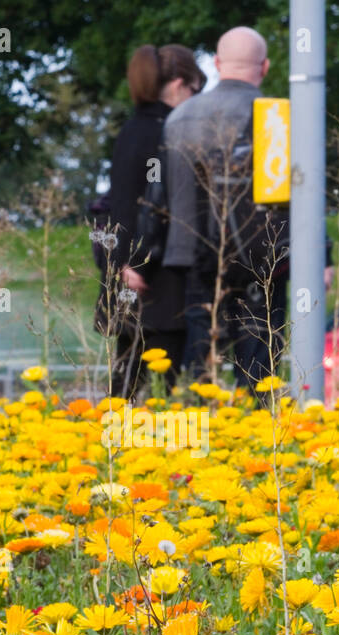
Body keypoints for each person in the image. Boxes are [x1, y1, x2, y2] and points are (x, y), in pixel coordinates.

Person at [163, 26, 331, 400]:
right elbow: (304, 196)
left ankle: (195, 437)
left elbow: (165, 197)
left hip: (191, 259)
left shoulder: (178, 119)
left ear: (218, 63)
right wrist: (324, 253)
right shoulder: (276, 120)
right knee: (259, 367)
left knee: (199, 361)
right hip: (262, 259)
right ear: (265, 66)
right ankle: (258, 436)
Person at [97, 44, 205, 400]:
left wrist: (121, 263)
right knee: (161, 389)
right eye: (194, 89)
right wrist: (141, 262)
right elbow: (157, 204)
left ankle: (113, 452)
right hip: (158, 277)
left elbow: (120, 204)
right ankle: (154, 452)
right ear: (178, 84)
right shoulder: (168, 132)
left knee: (125, 384)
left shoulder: (130, 130)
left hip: (126, 274)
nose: (195, 99)